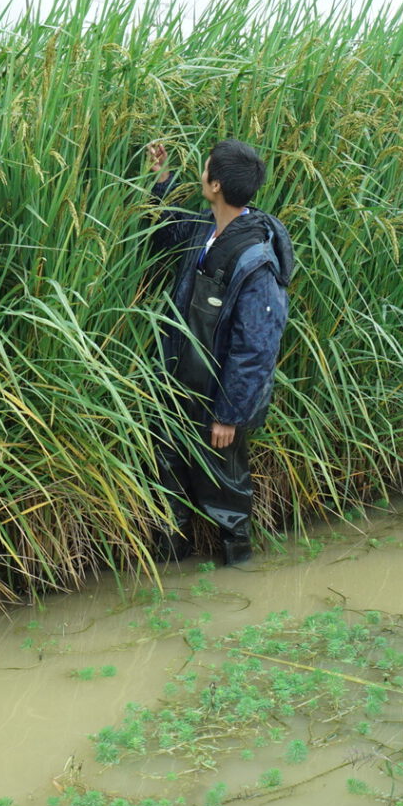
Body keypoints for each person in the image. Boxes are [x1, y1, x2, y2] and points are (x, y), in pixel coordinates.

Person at [144, 138, 293, 565]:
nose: (200, 174)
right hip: (178, 385)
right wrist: (161, 175)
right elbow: (169, 228)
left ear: (216, 184)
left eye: (204, 169)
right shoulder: (207, 229)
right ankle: (173, 567)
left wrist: (229, 414)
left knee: (225, 485)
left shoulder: (255, 260)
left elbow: (257, 347)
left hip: (217, 398)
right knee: (170, 471)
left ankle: (238, 562)